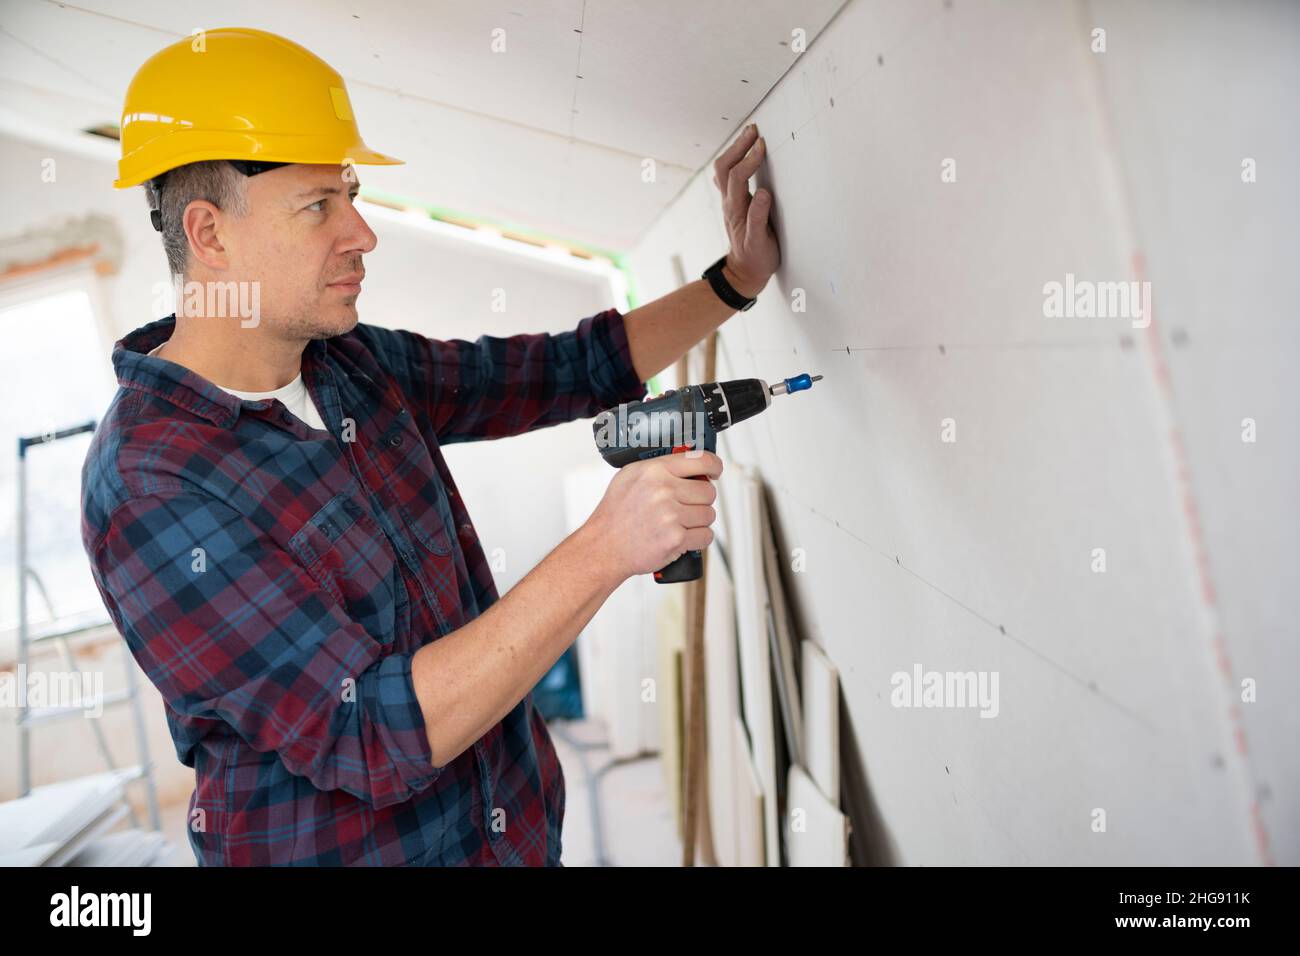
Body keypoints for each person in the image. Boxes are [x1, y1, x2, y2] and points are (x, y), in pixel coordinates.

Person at [81, 26, 779, 865]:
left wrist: (734, 281)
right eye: (319, 207)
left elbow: (557, 369)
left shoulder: (348, 363)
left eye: (351, 195)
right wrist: (606, 548)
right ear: (211, 234)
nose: (362, 233)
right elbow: (370, 731)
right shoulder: (151, 486)